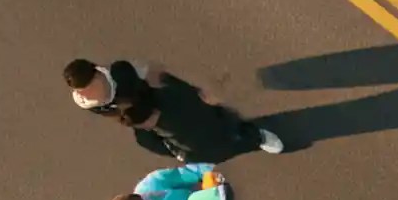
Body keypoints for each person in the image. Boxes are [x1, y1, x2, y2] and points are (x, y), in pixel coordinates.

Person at [119, 72, 283, 162]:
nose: (148, 126)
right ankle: (248, 141)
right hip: (203, 151)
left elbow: (195, 94)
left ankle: (256, 136)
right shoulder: (143, 132)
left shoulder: (172, 92)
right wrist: (184, 156)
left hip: (219, 123)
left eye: (148, 122)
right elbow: (160, 147)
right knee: (229, 150)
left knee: (236, 129)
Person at [65, 58, 180, 158]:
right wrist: (132, 121)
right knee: (146, 141)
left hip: (151, 98)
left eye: (87, 89)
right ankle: (178, 152)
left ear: (97, 76)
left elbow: (151, 76)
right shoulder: (85, 102)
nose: (84, 95)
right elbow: (111, 114)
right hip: (138, 117)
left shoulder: (121, 72)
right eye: (80, 91)